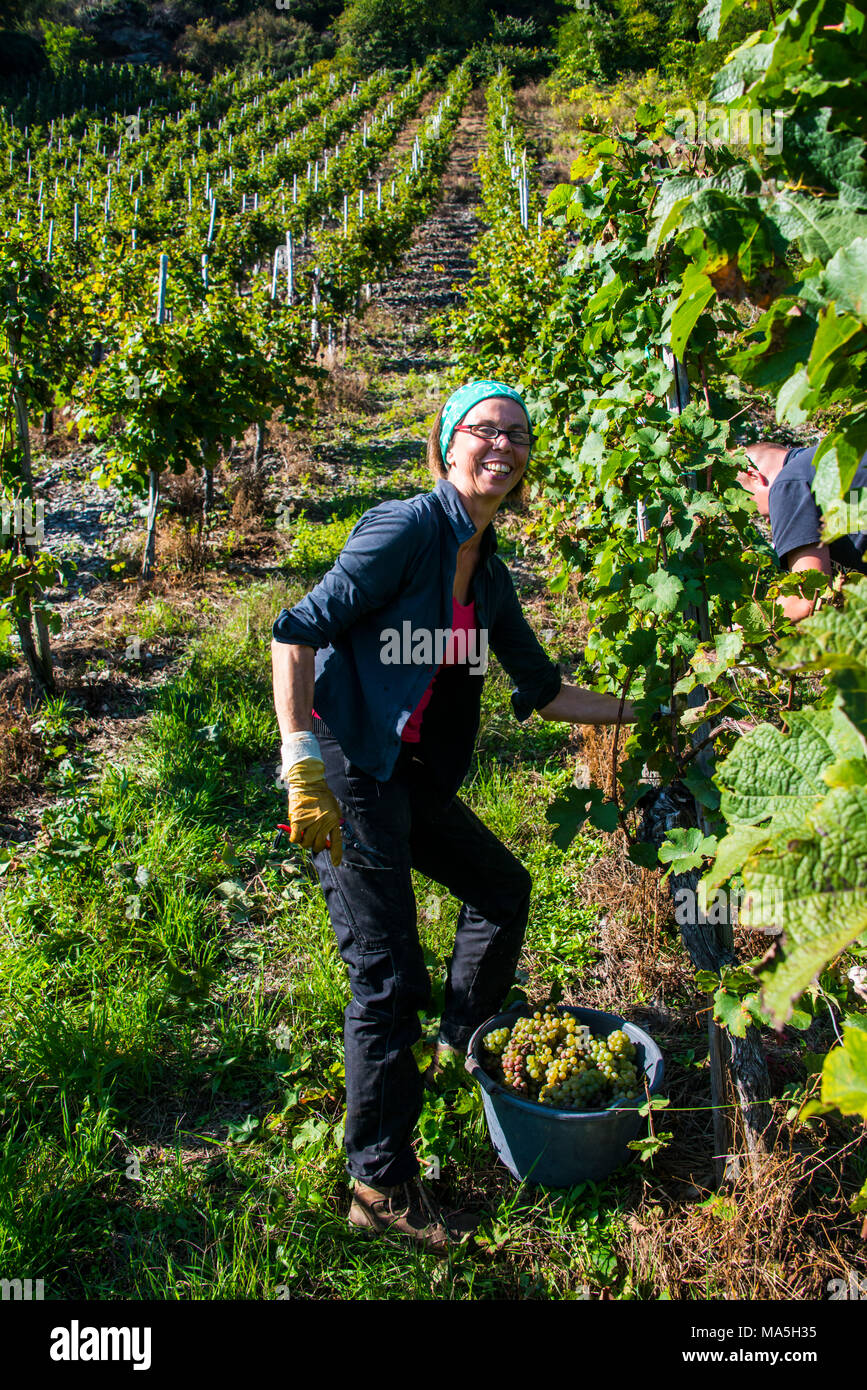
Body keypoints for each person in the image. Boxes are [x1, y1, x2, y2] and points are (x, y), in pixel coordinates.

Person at [270, 379, 634, 1253]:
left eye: (517, 435)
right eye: (484, 431)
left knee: (503, 892)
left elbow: (542, 694)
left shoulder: (493, 572)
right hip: (351, 773)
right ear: (446, 443)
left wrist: (642, 712)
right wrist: (300, 765)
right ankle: (379, 1182)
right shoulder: (404, 530)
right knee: (387, 976)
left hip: (412, 780)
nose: (501, 447)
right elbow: (294, 632)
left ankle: (454, 1044)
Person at [737, 440, 867, 621]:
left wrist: (744, 628)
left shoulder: (788, 483)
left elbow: (809, 595)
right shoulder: (826, 462)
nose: (767, 521)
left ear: (754, 476)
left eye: (750, 505)